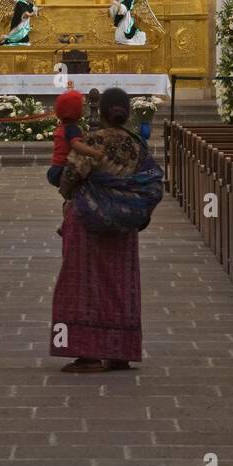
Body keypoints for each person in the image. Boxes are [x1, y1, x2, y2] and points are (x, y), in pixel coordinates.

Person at [49, 87, 163, 373]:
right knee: (120, 283)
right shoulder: (138, 145)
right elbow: (150, 179)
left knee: (82, 282)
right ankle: (120, 352)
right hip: (123, 225)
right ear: (127, 112)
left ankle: (87, 354)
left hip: (88, 220)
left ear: (100, 112)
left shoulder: (93, 140)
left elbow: (69, 178)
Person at [47, 89, 103, 188]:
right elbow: (77, 145)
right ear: (74, 110)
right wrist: (95, 153)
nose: (84, 109)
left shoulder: (63, 127)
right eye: (82, 106)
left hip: (55, 169)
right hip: (64, 169)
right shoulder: (72, 128)